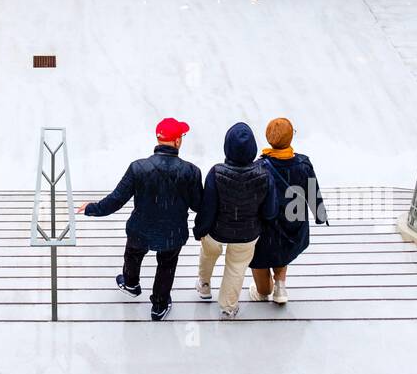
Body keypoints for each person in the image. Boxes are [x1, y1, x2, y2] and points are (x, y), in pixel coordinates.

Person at [78, 117, 202, 321]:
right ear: (177, 141)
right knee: (166, 265)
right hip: (172, 233)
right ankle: (159, 306)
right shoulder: (191, 171)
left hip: (141, 230)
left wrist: (92, 208)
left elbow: (116, 200)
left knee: (133, 255)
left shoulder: (138, 168)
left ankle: (131, 284)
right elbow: (198, 205)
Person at [193, 122, 277, 320]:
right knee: (236, 267)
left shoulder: (216, 172)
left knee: (209, 252)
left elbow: (208, 207)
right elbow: (270, 211)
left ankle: (204, 285)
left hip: (216, 230)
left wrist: (200, 230)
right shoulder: (265, 175)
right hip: (247, 233)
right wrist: (262, 225)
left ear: (227, 147)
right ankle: (228, 308)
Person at [250, 117, 327, 305]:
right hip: (294, 223)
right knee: (282, 252)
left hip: (267, 227)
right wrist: (319, 215)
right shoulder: (303, 163)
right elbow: (312, 190)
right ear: (291, 137)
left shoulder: (259, 167)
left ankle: (263, 291)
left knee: (260, 259)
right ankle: (280, 287)